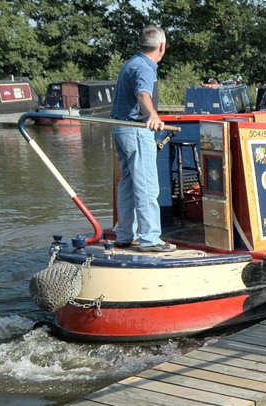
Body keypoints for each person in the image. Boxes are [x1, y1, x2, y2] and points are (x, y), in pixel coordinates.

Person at [110, 25, 175, 252]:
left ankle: (125, 235)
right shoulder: (146, 67)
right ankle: (150, 239)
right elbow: (143, 94)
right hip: (137, 130)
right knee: (147, 186)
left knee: (127, 185)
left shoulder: (131, 63)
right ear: (162, 46)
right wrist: (153, 115)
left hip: (120, 130)